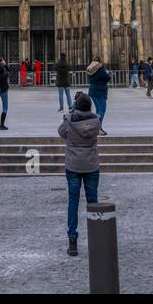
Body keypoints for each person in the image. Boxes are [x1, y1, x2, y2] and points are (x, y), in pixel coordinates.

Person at [58, 91, 101, 257]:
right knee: (93, 202)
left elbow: (61, 133)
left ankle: (72, 240)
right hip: (91, 165)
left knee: (73, 202)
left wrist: (70, 115)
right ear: (89, 106)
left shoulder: (69, 121)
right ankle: (97, 237)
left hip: (73, 165)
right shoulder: (96, 121)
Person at [86, 58, 111, 132]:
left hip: (92, 91)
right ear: (100, 62)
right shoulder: (100, 69)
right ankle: (97, 127)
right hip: (99, 91)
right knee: (102, 109)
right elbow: (108, 77)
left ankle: (96, 127)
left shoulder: (90, 69)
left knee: (98, 109)